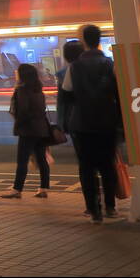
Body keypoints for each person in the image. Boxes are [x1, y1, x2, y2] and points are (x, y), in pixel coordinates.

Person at [60, 24, 122, 223]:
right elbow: (119, 92)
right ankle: (110, 206)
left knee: (87, 168)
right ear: (99, 39)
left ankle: (93, 210)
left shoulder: (74, 66)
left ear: (84, 41)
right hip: (107, 122)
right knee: (107, 165)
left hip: (82, 124)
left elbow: (67, 92)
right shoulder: (110, 63)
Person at [2, 63, 50, 199]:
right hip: (41, 128)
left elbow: (22, 111)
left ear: (22, 75)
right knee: (41, 159)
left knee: (22, 160)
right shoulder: (38, 89)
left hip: (28, 129)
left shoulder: (22, 90)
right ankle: (43, 188)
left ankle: (17, 190)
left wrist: (18, 124)